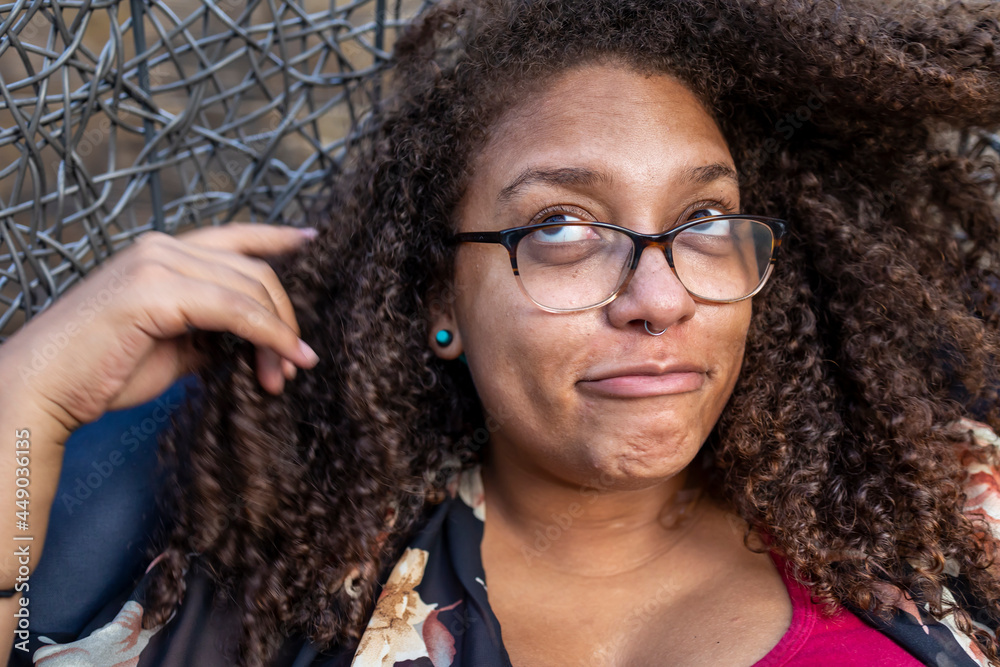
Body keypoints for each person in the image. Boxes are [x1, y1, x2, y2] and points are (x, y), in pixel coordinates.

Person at [2, 0, 1000, 665]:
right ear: (440, 299)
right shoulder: (273, 605)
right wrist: (28, 399)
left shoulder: (942, 516)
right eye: (561, 229)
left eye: (702, 224)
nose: (657, 297)